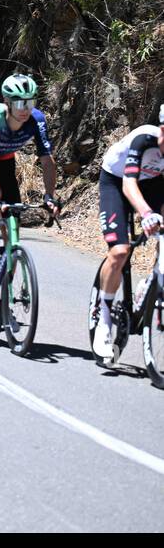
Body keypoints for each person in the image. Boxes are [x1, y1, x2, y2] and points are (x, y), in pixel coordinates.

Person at [0, 73, 61, 280]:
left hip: (5, 162)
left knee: (12, 222)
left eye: (30, 102)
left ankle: (5, 286)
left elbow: (47, 160)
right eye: (19, 103)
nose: (25, 109)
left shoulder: (36, 120)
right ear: (7, 102)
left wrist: (49, 196)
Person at [92, 105, 164, 362]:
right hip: (117, 179)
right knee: (121, 251)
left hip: (155, 182)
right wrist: (146, 214)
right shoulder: (145, 138)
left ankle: (153, 281)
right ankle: (103, 318)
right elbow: (129, 183)